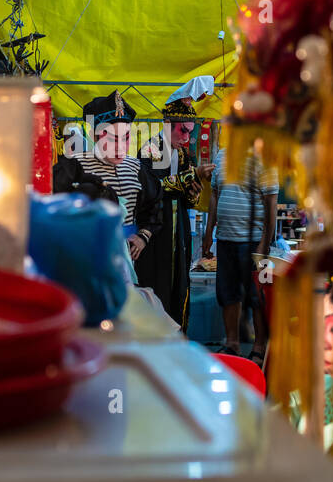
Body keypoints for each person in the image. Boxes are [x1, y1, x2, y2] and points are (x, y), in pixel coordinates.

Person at [52, 90, 162, 263]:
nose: (120, 147)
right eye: (112, 139)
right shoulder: (75, 165)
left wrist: (143, 236)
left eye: (126, 138)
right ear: (95, 136)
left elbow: (154, 205)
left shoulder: (135, 167)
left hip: (124, 263)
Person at [135, 96, 214, 329]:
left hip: (179, 226)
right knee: (156, 280)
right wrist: (192, 175)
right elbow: (155, 187)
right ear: (167, 124)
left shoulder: (183, 155)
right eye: (183, 131)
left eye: (190, 132)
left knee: (179, 281)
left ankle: (178, 332)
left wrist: (194, 189)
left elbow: (188, 198)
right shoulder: (150, 149)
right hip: (156, 227)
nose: (186, 138)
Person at [203, 141, 278, 361]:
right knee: (227, 293)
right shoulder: (222, 155)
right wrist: (208, 232)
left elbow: (271, 203)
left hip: (254, 242)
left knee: (257, 296)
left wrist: (265, 243)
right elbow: (215, 195)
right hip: (225, 239)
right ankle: (232, 344)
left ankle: (259, 347)